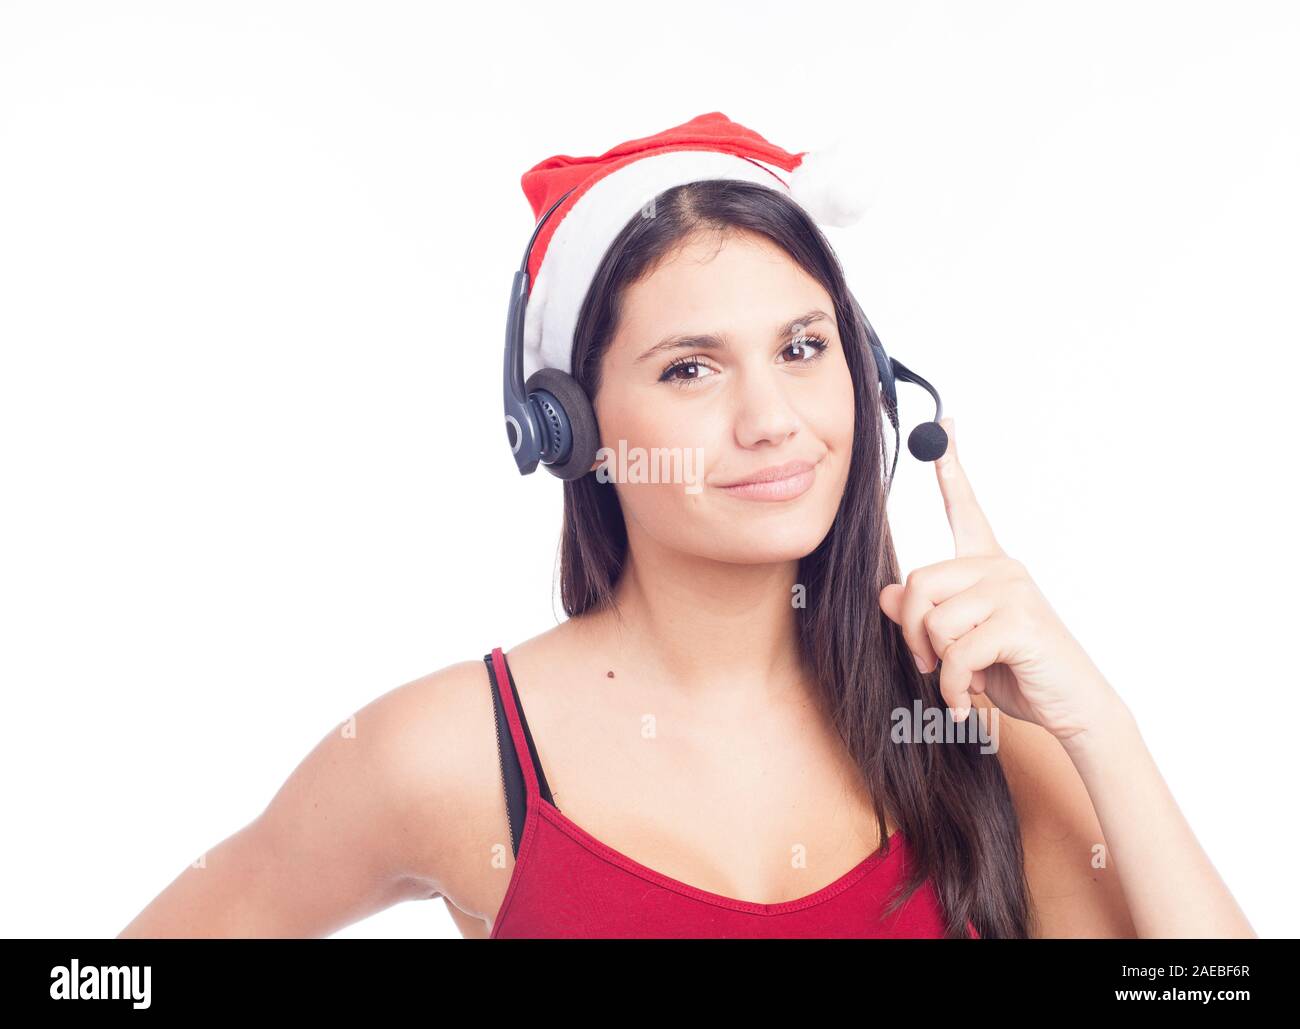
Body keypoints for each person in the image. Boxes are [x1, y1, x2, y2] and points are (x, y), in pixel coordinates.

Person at [118, 112, 1255, 939]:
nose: (772, 421)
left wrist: (1101, 725)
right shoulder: (449, 753)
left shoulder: (977, 725)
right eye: (690, 368)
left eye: (803, 348)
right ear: (569, 428)